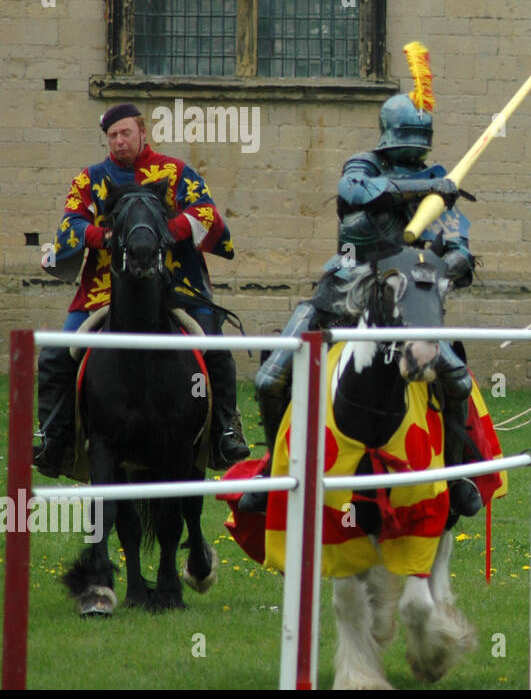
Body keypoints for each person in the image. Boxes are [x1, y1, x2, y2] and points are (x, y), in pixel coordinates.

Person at [248, 50, 479, 516]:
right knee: (269, 378)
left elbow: (461, 250)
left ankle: (454, 477)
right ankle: (275, 469)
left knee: (456, 380)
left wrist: (442, 264)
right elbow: (355, 195)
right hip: (344, 290)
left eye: (419, 146)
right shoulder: (366, 166)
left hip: (409, 301)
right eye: (405, 145)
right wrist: (425, 193)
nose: (412, 155)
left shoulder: (443, 183)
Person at [35, 103, 249, 477]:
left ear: (142, 133)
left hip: (176, 286)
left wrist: (166, 233)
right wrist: (104, 237)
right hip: (104, 292)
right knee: (56, 355)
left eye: (126, 133)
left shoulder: (176, 171)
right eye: (112, 136)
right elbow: (71, 224)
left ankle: (224, 431)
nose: (119, 141)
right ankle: (55, 437)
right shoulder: (90, 179)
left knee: (214, 348)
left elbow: (205, 213)